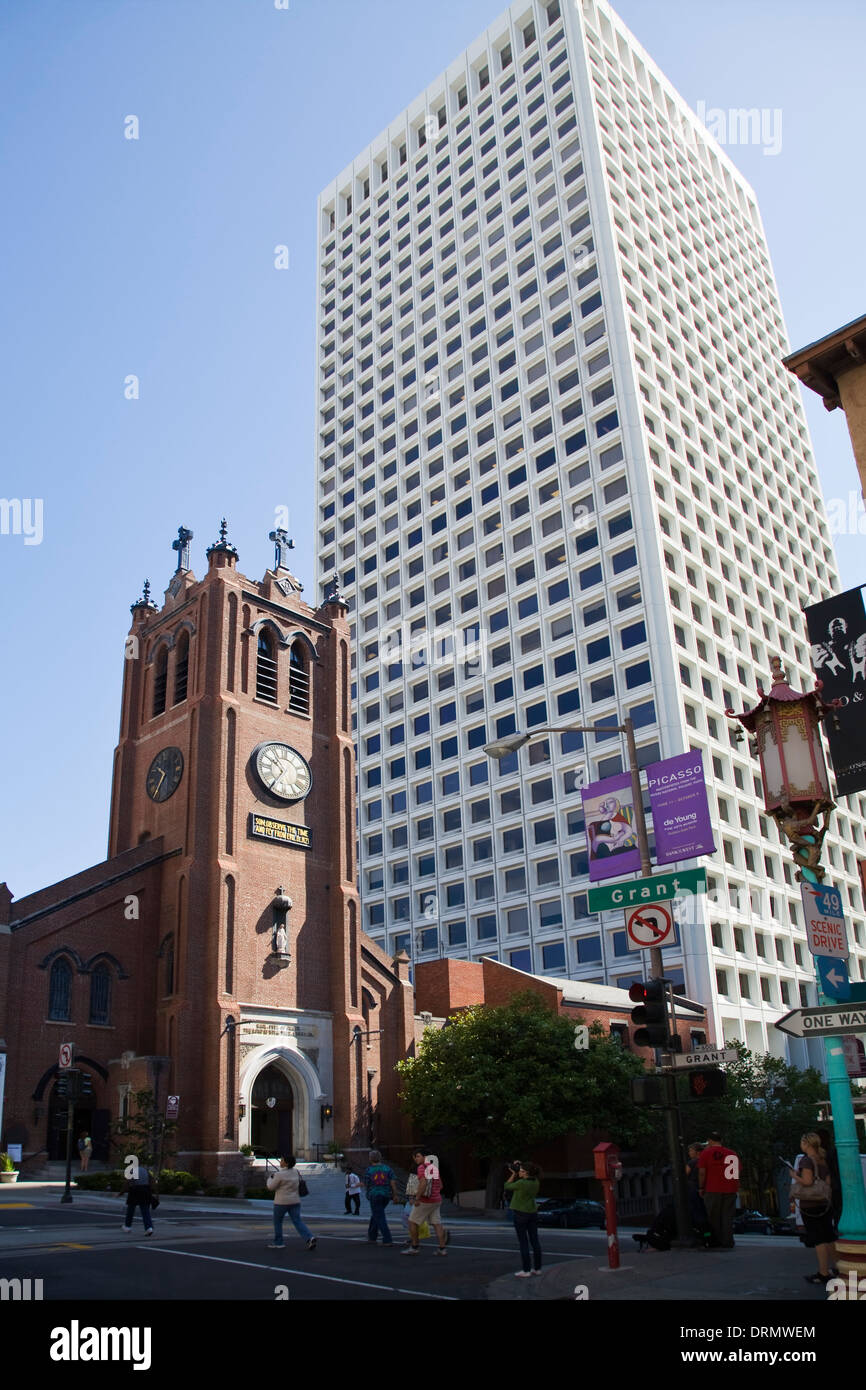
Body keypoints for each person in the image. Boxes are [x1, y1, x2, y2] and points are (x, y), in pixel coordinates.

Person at [794, 1133, 836, 1285]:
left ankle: (823, 1272)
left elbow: (807, 1181)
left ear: (806, 1144)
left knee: (818, 1239)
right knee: (829, 1235)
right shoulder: (823, 1159)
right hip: (824, 1202)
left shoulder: (806, 1160)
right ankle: (837, 1267)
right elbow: (828, 1181)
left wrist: (794, 1175)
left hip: (810, 1204)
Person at [696, 1132, 740, 1249]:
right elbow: (736, 1173)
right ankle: (728, 1241)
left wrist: (701, 1187)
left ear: (710, 1141)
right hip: (730, 1189)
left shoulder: (705, 1153)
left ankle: (714, 1240)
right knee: (727, 1217)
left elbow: (702, 1172)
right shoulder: (732, 1154)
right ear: (721, 1140)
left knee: (712, 1217)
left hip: (712, 1189)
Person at [266, 1154, 316, 1250]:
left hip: (281, 1202)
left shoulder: (279, 1175)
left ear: (286, 1163)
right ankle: (309, 1237)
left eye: (282, 1160)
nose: (280, 1162)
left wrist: (269, 1179)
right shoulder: (296, 1172)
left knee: (278, 1222)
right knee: (297, 1221)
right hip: (295, 1201)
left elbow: (270, 1187)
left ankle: (279, 1242)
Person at [503, 1161, 542, 1277]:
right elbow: (527, 1168)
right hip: (532, 1212)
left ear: (525, 1173)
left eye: (520, 1171)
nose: (519, 1172)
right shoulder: (536, 1182)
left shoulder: (521, 1183)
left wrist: (513, 1174)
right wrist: (519, 1165)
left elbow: (507, 1185)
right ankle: (537, 1268)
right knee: (535, 1241)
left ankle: (526, 1270)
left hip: (520, 1213)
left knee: (523, 1242)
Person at [403, 1153, 448, 1255]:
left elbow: (423, 1183)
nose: (416, 1159)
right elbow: (440, 1185)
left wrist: (417, 1198)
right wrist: (434, 1192)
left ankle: (414, 1247)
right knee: (437, 1223)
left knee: (412, 1222)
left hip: (425, 1201)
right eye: (415, 1156)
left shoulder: (421, 1167)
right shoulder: (434, 1168)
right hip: (437, 1200)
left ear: (424, 1157)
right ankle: (442, 1249)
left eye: (418, 1156)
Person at [364, 1148, 399, 1246]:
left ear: (371, 1159)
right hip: (386, 1195)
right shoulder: (388, 1169)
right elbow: (393, 1182)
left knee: (379, 1216)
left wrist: (368, 1192)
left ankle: (387, 1238)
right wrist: (395, 1194)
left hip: (374, 1194)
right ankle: (372, 1236)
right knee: (376, 1214)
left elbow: (367, 1183)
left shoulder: (369, 1170)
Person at [121, 1161, 154, 1236]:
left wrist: (122, 1192)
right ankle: (149, 1228)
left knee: (131, 1209)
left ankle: (127, 1226)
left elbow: (127, 1182)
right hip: (145, 1189)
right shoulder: (145, 1170)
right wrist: (152, 1190)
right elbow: (152, 1179)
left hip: (135, 1190)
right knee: (145, 1210)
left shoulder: (132, 1170)